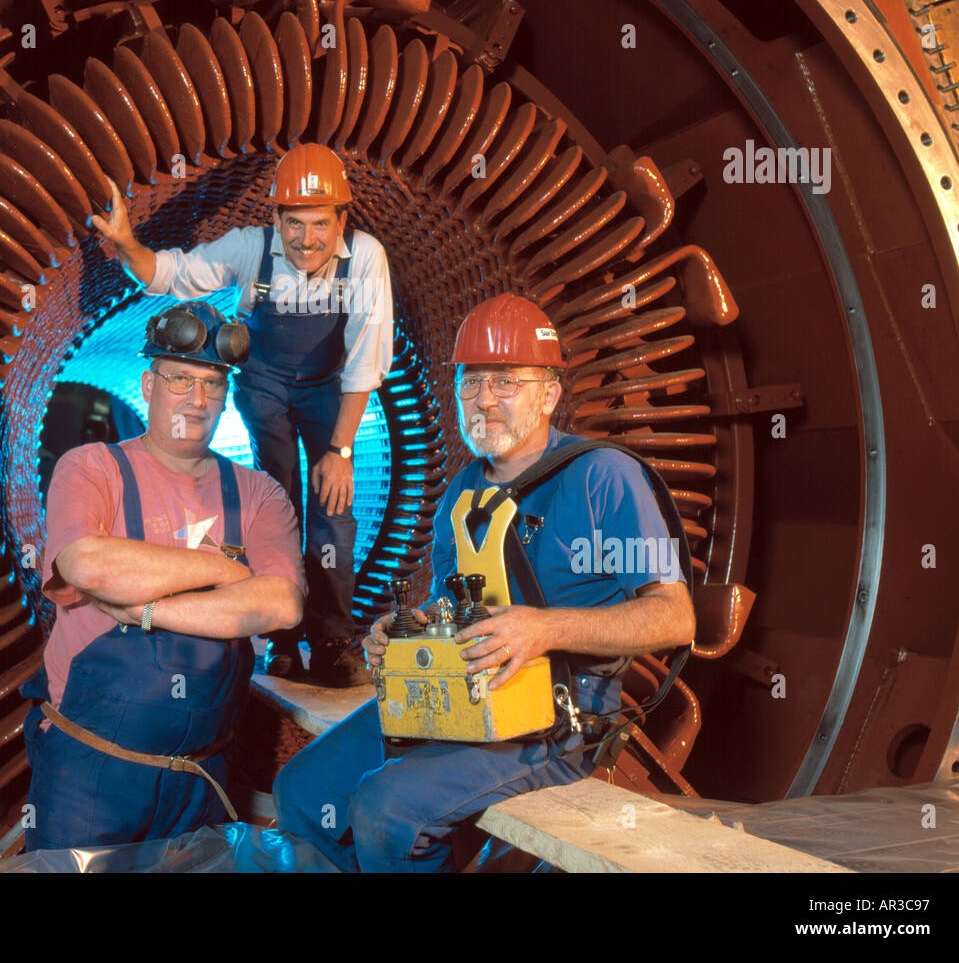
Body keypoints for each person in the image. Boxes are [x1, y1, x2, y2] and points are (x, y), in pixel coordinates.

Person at [272, 293, 695, 872]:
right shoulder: (465, 487)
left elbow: (673, 616)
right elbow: (452, 598)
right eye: (471, 383)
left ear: (549, 393)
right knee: (302, 791)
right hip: (457, 697)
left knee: (386, 808)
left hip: (554, 718)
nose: (484, 401)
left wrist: (543, 630)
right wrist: (407, 628)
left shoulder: (604, 476)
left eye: (505, 382)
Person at [92, 145, 393, 687]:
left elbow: (367, 358)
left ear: (343, 219)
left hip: (329, 389)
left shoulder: (365, 258)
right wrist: (127, 245)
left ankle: (331, 640)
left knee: (333, 508)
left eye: (320, 224)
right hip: (264, 387)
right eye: (294, 224)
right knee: (276, 502)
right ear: (275, 219)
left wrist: (341, 451)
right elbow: (170, 275)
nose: (306, 239)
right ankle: (280, 637)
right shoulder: (250, 249)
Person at [21, 300, 305, 851]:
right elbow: (86, 563)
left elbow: (281, 604)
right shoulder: (92, 468)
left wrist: (145, 607)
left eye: (212, 384)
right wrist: (223, 570)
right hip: (91, 771)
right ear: (148, 385)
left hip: (200, 780)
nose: (196, 400)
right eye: (179, 379)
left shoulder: (259, 493)